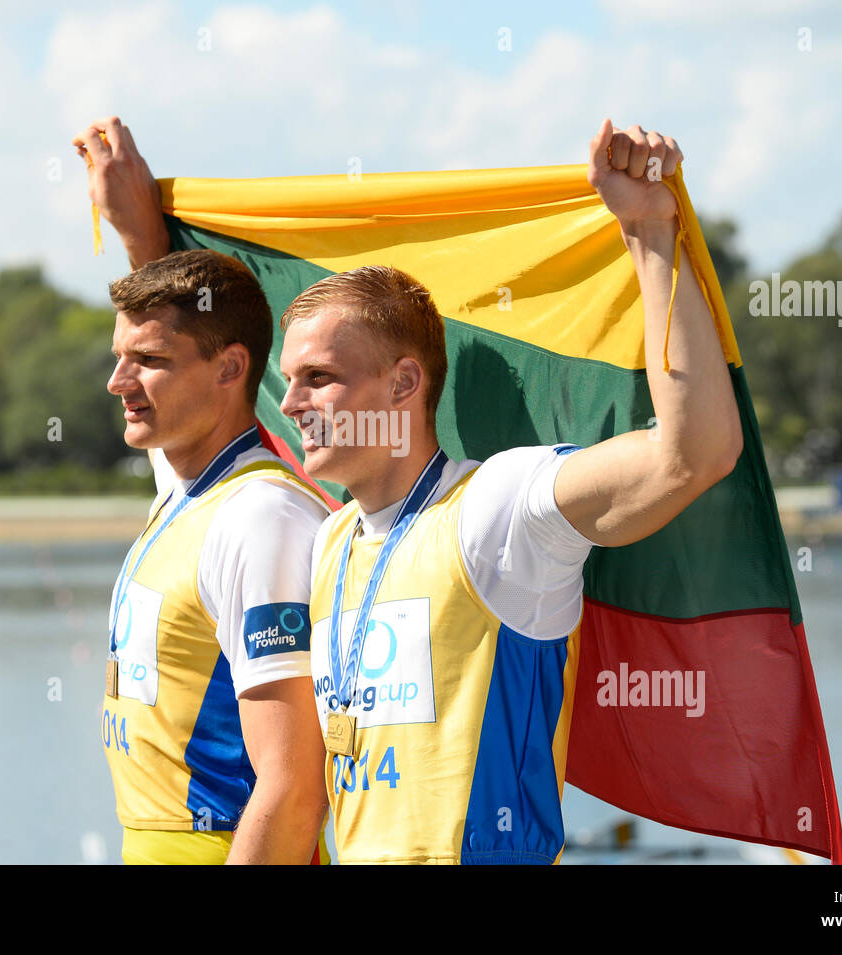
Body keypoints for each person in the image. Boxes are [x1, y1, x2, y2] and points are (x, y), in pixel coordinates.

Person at [274, 119, 743, 863]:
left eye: (319, 378)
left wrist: (651, 232)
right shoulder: (330, 541)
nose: (291, 402)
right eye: (288, 378)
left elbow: (695, 452)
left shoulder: (497, 507)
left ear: (403, 383)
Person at [76, 119, 330, 865]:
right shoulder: (188, 489)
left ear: (230, 371)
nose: (118, 382)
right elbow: (186, 316)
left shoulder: (263, 518)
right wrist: (138, 231)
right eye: (120, 355)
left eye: (147, 360)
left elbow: (292, 787)